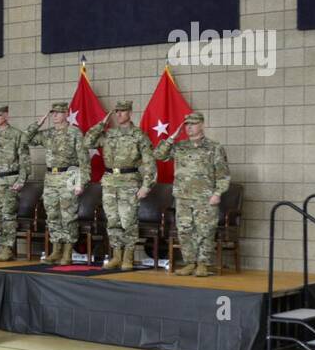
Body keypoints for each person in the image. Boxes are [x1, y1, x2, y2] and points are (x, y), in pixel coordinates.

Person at [152, 111, 231, 277]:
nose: (189, 127)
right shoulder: (180, 147)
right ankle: (189, 262)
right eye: (187, 124)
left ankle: (203, 264)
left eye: (193, 124)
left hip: (205, 197)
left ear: (202, 125)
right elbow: (158, 154)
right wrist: (173, 136)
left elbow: (223, 174)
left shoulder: (214, 147)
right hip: (183, 197)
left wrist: (217, 193)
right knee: (185, 230)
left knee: (205, 230)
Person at [83, 100, 155, 271]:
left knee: (128, 221)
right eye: (117, 111)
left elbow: (150, 162)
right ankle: (116, 256)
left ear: (130, 112)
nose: (119, 114)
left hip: (129, 181)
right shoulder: (109, 134)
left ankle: (128, 257)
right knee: (113, 221)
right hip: (109, 181)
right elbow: (87, 142)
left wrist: (147, 185)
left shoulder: (139, 135)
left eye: (123, 111)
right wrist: (101, 124)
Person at [26, 102, 85, 265]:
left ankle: (67, 252)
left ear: (66, 113)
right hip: (51, 177)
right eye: (53, 113)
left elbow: (83, 159)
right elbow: (26, 139)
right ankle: (56, 250)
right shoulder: (48, 133)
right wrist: (38, 124)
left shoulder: (75, 132)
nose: (55, 116)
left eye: (59, 113)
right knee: (52, 216)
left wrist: (80, 182)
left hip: (70, 174)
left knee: (68, 216)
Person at [0, 105, 31, 261]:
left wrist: (21, 180)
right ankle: (0, 247)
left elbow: (25, 160)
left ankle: (8, 249)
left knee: (8, 216)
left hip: (9, 181)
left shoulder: (17, 135)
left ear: (6, 116)